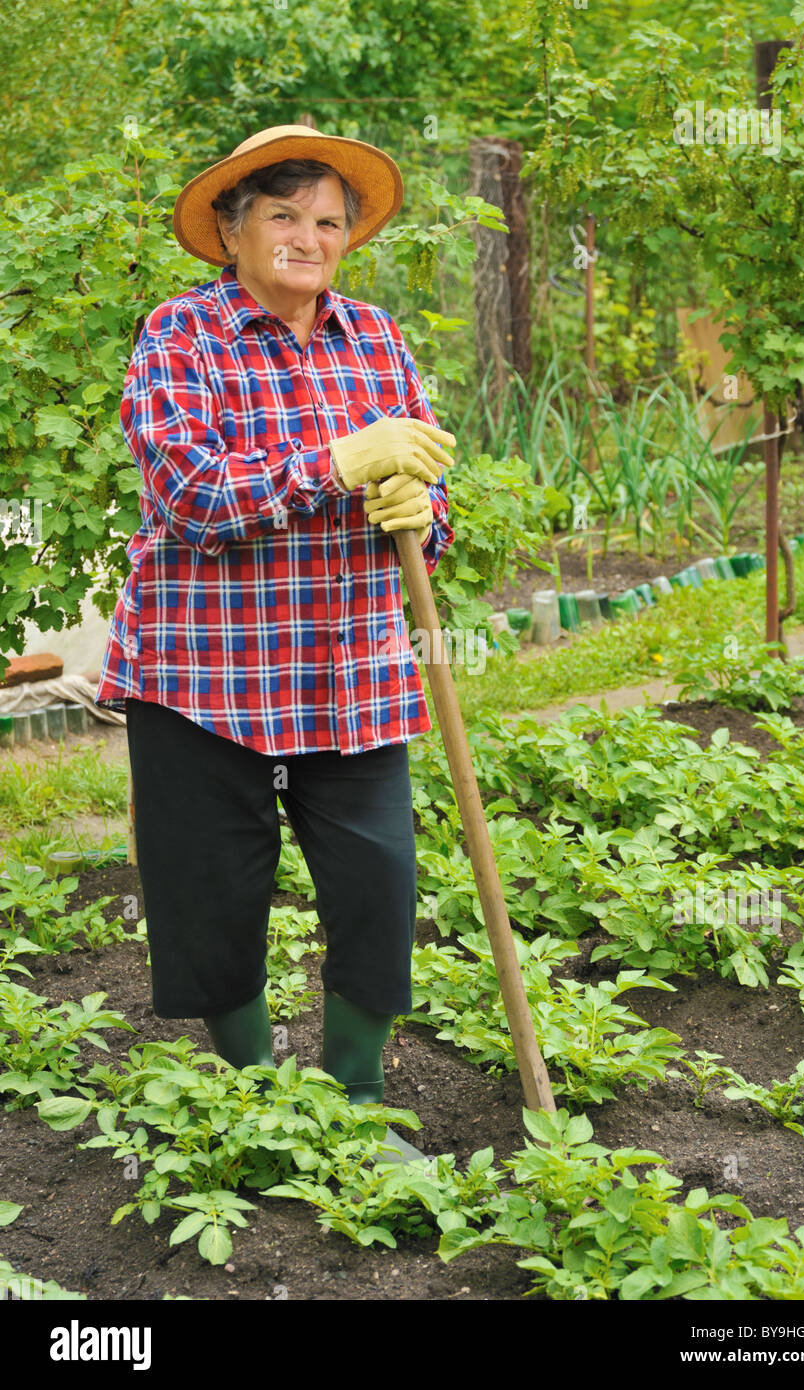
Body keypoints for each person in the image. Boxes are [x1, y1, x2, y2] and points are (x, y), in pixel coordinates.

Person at [95, 124, 457, 1162]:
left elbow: (428, 502)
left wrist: (416, 505)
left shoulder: (375, 338)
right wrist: (341, 460)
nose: (310, 236)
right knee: (212, 893)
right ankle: (257, 1093)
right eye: (284, 214)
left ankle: (357, 1096)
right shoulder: (181, 335)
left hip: (351, 670)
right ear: (231, 229)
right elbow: (190, 494)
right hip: (206, 672)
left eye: (329, 221)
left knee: (378, 883)